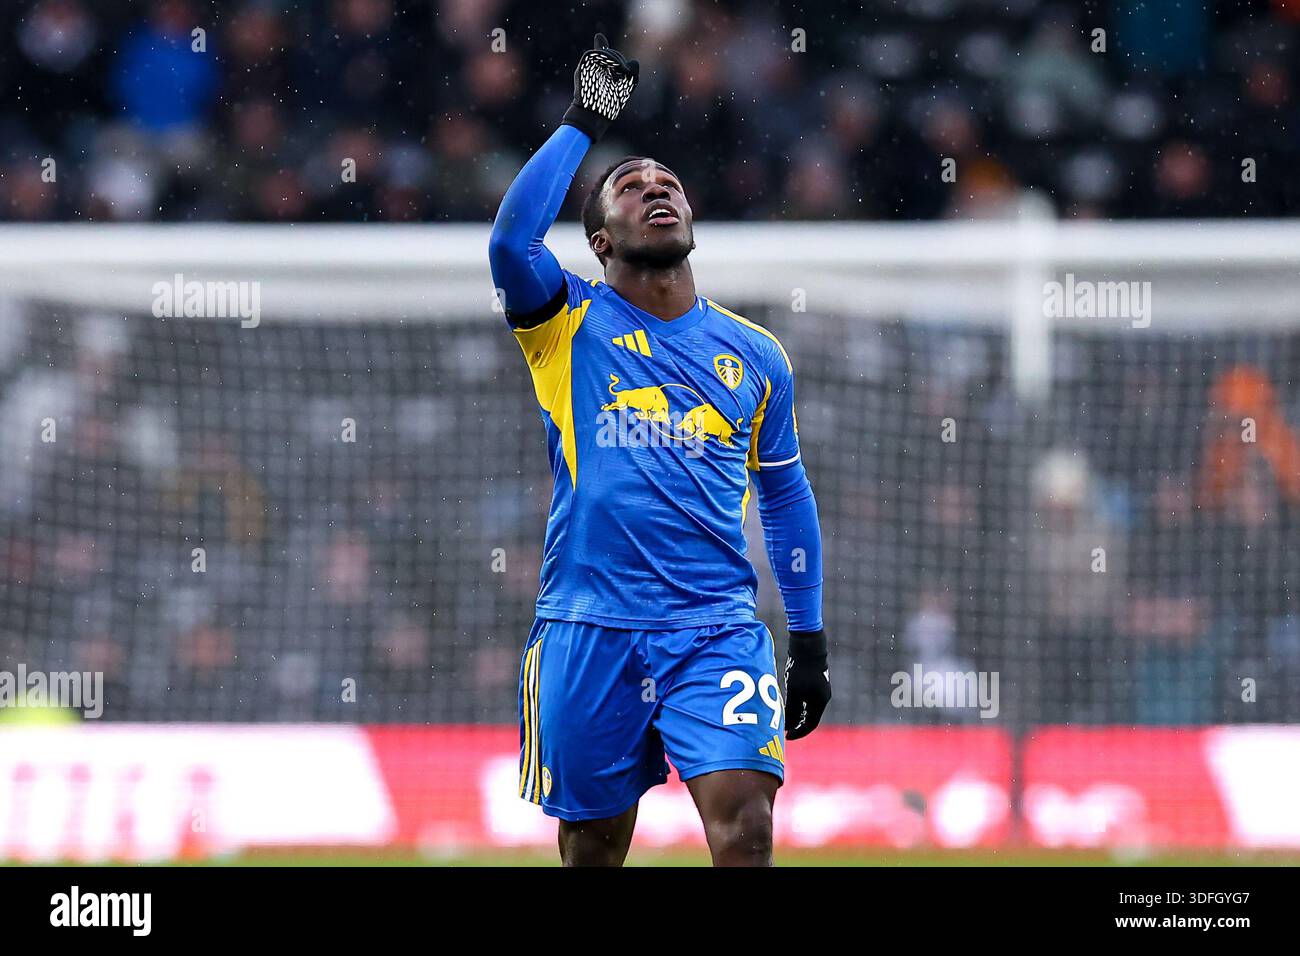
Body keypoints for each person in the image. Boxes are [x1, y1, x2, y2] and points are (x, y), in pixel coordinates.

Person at [487, 35, 830, 866]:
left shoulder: (756, 357)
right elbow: (509, 245)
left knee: (746, 823)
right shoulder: (565, 325)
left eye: (667, 183)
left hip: (714, 626)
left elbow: (783, 497)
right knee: (595, 849)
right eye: (630, 188)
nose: (655, 190)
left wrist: (809, 638)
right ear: (599, 243)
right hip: (587, 623)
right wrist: (580, 124)